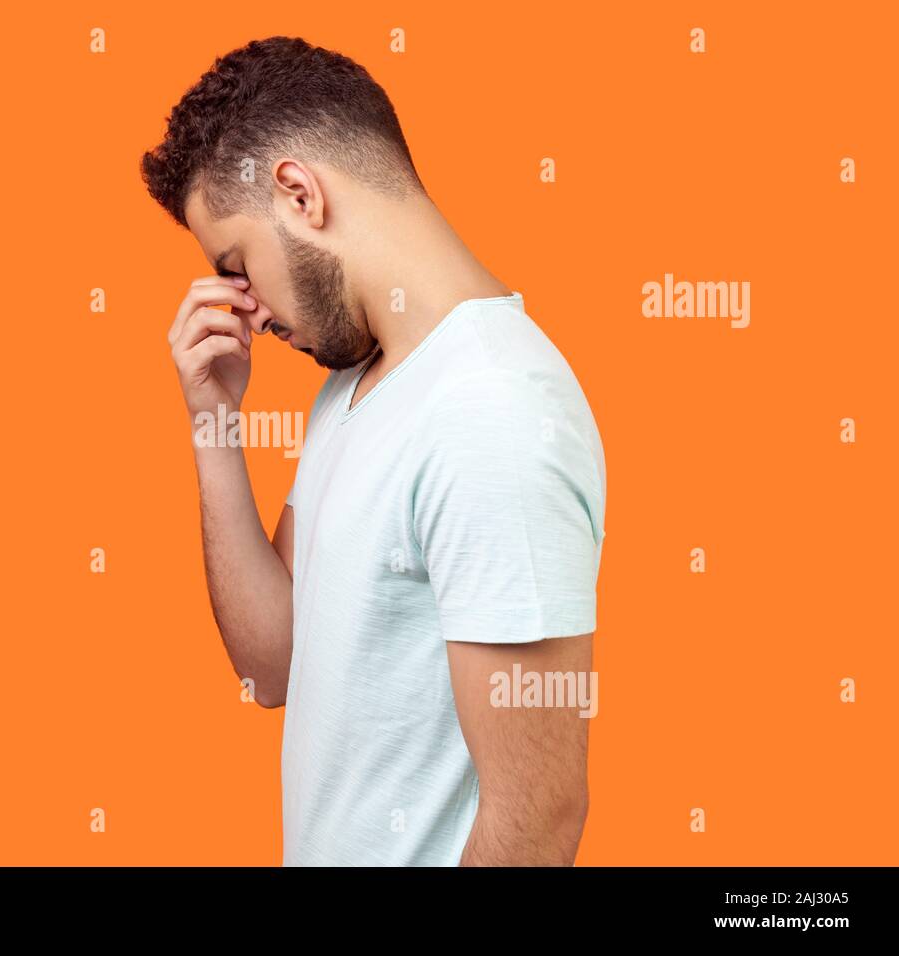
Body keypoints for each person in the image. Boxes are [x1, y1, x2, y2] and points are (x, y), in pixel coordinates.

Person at [139, 35, 607, 866]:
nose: (240, 306)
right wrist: (214, 423)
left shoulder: (491, 409)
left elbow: (538, 822)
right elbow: (276, 665)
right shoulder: (358, 389)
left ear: (298, 193)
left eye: (236, 264)